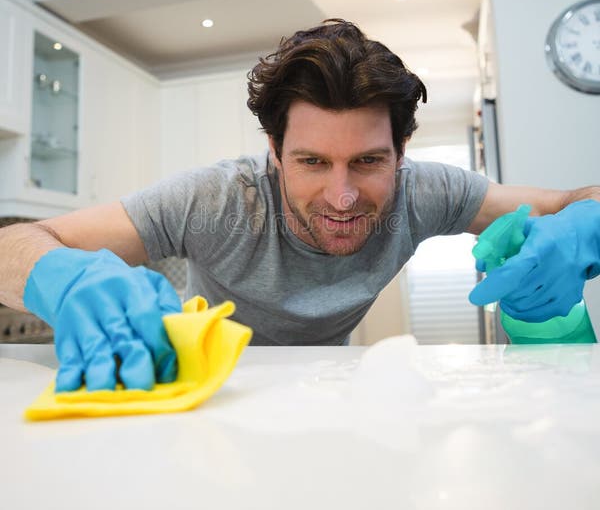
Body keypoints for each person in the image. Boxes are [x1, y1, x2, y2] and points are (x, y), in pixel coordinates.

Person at [1, 20, 599, 390]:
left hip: (327, 389)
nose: (342, 197)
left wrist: (584, 225)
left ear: (401, 150)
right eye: (313, 162)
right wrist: (63, 277)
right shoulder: (216, 199)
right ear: (275, 150)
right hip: (211, 391)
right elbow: (11, 244)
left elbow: (576, 198)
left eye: (368, 161)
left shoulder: (427, 191)